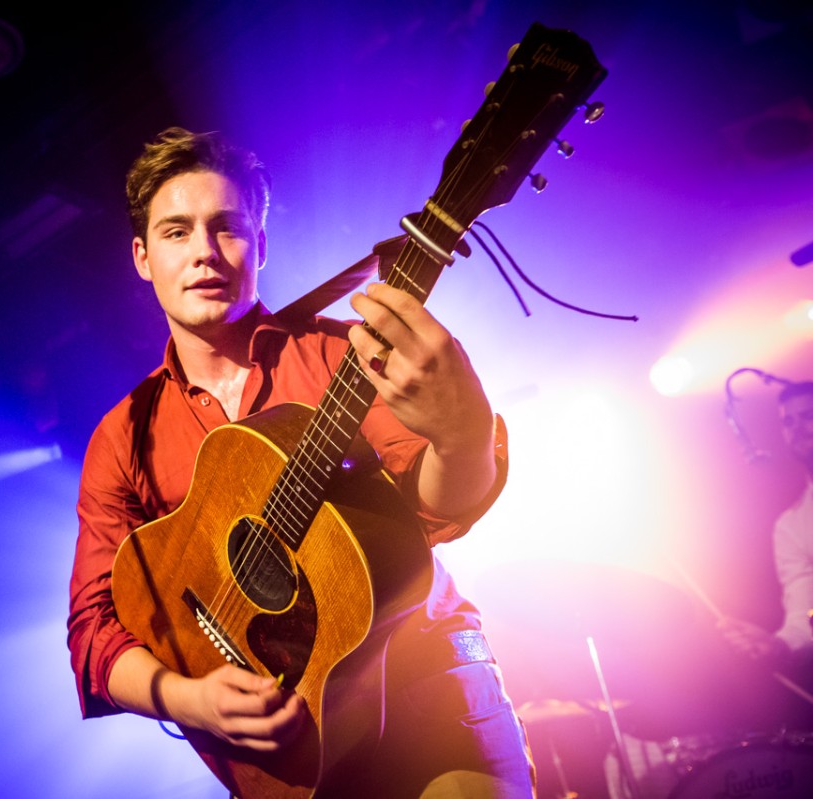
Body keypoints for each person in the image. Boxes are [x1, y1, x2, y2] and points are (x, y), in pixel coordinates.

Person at [66, 126, 535, 797]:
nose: (204, 251)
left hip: (424, 689)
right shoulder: (124, 436)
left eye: (226, 227)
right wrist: (189, 699)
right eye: (176, 232)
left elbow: (432, 511)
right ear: (142, 255)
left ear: (260, 244)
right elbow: (94, 631)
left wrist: (462, 439)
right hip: (283, 752)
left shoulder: (345, 353)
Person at [718, 380, 813, 682]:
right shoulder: (791, 526)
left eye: (808, 415)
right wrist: (778, 646)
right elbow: (804, 616)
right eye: (788, 420)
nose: (797, 427)